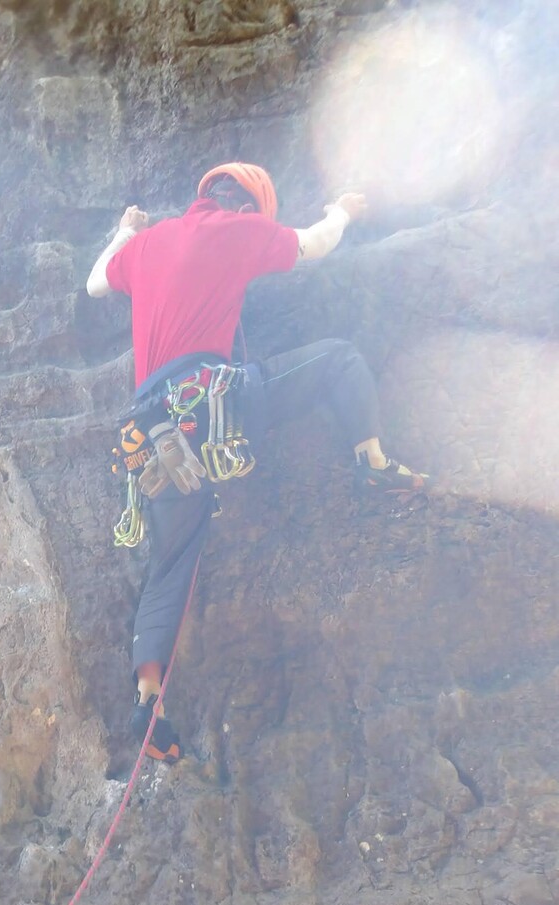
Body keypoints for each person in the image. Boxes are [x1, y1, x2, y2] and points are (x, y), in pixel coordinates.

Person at [86, 162, 427, 763]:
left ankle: (148, 703)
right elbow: (314, 244)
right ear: (248, 206)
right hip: (215, 404)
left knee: (169, 565)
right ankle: (371, 460)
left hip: (152, 425)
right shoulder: (235, 229)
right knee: (339, 359)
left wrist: (123, 230)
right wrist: (343, 208)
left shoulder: (149, 244)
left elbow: (94, 285)